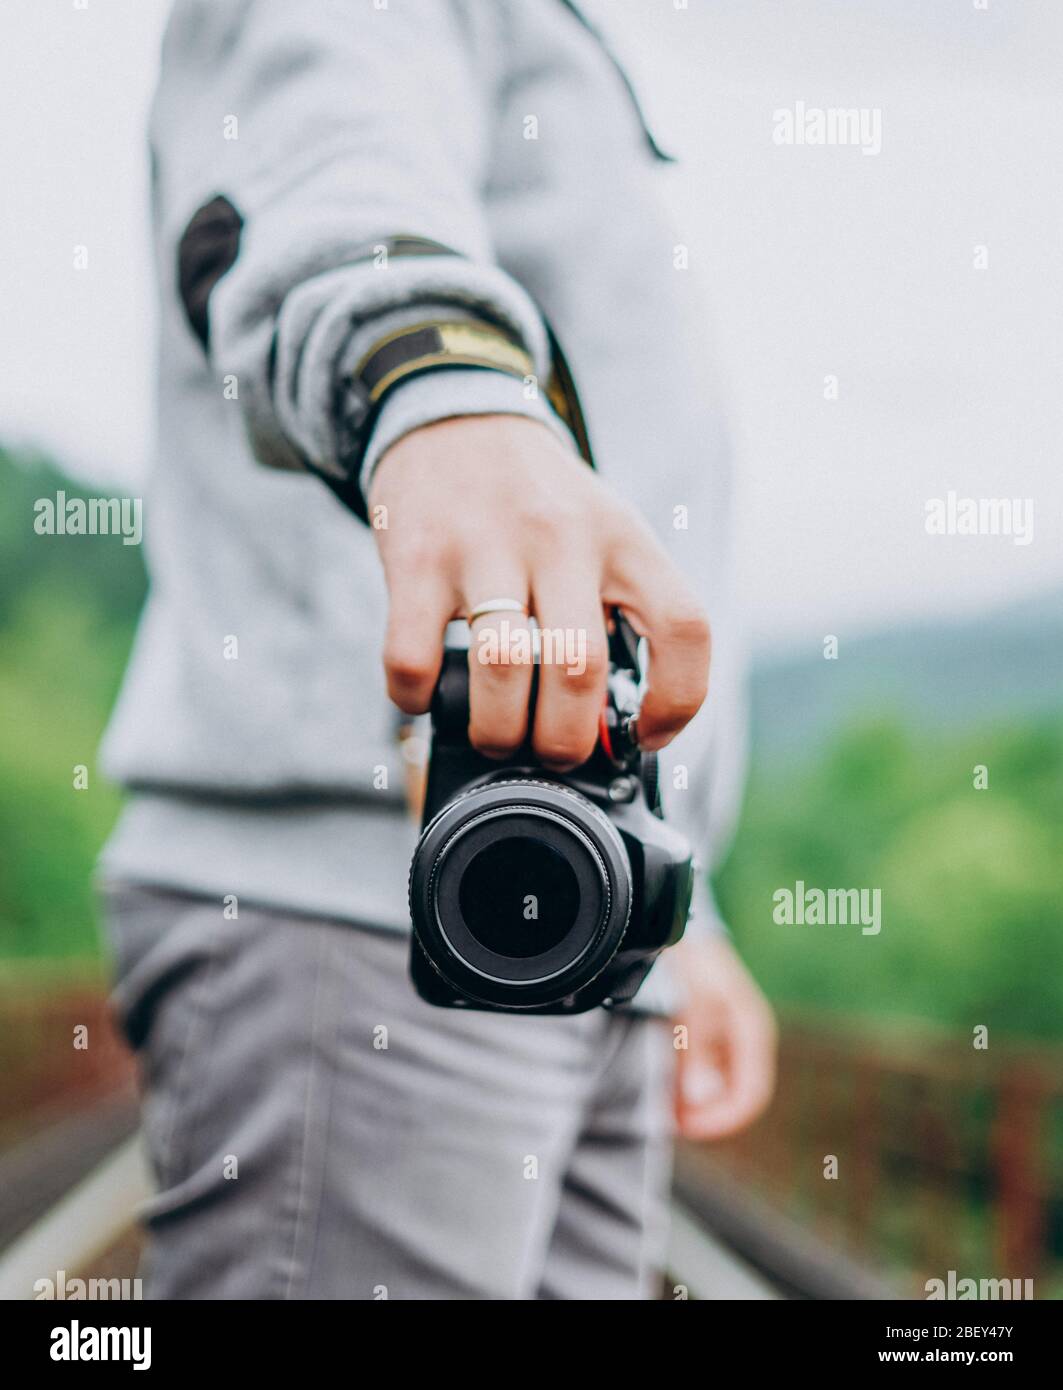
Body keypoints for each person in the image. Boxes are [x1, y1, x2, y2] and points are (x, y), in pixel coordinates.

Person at [98, 0, 776, 1300]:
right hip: (357, 904)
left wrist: (682, 904)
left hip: (578, 906)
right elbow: (326, 140)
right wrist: (433, 367)